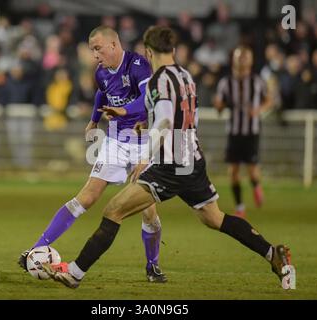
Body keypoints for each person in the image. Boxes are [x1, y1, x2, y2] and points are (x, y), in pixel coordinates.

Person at [41, 26, 293, 290]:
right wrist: (147, 128)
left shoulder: (158, 80)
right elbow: (185, 120)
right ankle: (272, 253)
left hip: (168, 164)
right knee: (214, 218)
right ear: (173, 50)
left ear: (148, 52)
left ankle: (75, 273)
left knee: (113, 210)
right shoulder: (185, 76)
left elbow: (162, 122)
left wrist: (145, 157)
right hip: (191, 158)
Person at [19, 26, 167, 283]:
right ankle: (35, 249)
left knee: (148, 212)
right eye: (92, 50)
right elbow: (101, 93)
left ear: (113, 44)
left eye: (98, 48)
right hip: (116, 140)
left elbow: (145, 97)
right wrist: (93, 120)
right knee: (86, 196)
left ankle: (152, 265)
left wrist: (123, 112)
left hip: (145, 141)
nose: (95, 54)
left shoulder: (138, 64)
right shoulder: (101, 72)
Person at [214, 46, 273, 218]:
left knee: (253, 170)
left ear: (251, 60)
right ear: (234, 59)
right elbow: (218, 102)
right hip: (234, 131)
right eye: (240, 57)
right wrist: (219, 105)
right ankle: (240, 206)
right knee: (233, 171)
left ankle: (256, 185)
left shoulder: (257, 81)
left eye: (246, 57)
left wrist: (259, 109)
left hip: (251, 131)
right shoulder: (226, 82)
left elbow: (269, 100)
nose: (242, 60)